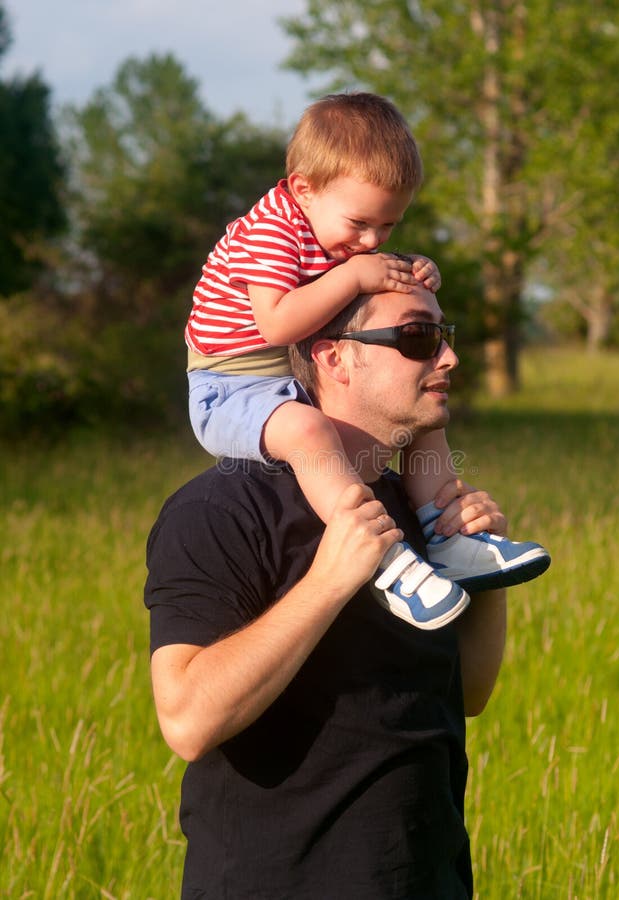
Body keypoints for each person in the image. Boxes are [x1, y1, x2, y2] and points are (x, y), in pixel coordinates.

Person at [145, 280, 517, 898]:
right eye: (418, 338)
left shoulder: (415, 509)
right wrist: (328, 583)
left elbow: (469, 693)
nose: (448, 358)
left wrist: (483, 573)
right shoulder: (221, 509)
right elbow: (187, 720)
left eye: (445, 337)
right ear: (333, 357)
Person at [184, 91, 549, 630]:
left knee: (422, 412)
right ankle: (385, 562)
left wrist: (410, 269)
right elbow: (278, 325)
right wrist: (357, 276)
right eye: (361, 224)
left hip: (287, 376)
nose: (371, 241)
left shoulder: (337, 235)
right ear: (302, 189)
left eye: (390, 228)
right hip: (229, 386)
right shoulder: (270, 234)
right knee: (307, 431)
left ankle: (447, 537)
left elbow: (362, 283)